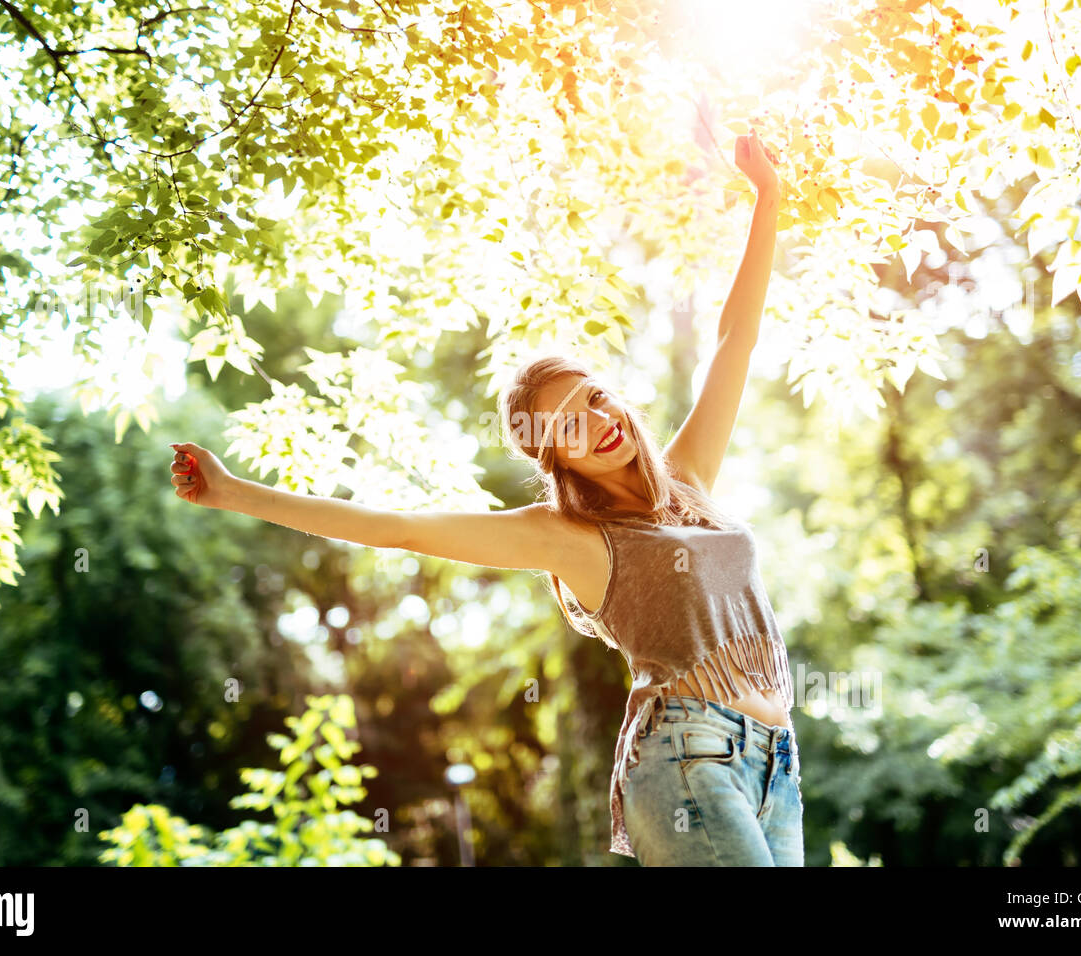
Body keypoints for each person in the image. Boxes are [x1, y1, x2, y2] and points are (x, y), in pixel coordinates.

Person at [167, 128, 798, 865]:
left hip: (777, 763)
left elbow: (734, 343)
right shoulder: (568, 538)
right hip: (689, 758)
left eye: (596, 399)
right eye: (568, 425)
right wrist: (235, 491)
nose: (597, 422)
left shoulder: (690, 482)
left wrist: (768, 197)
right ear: (555, 457)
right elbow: (399, 529)